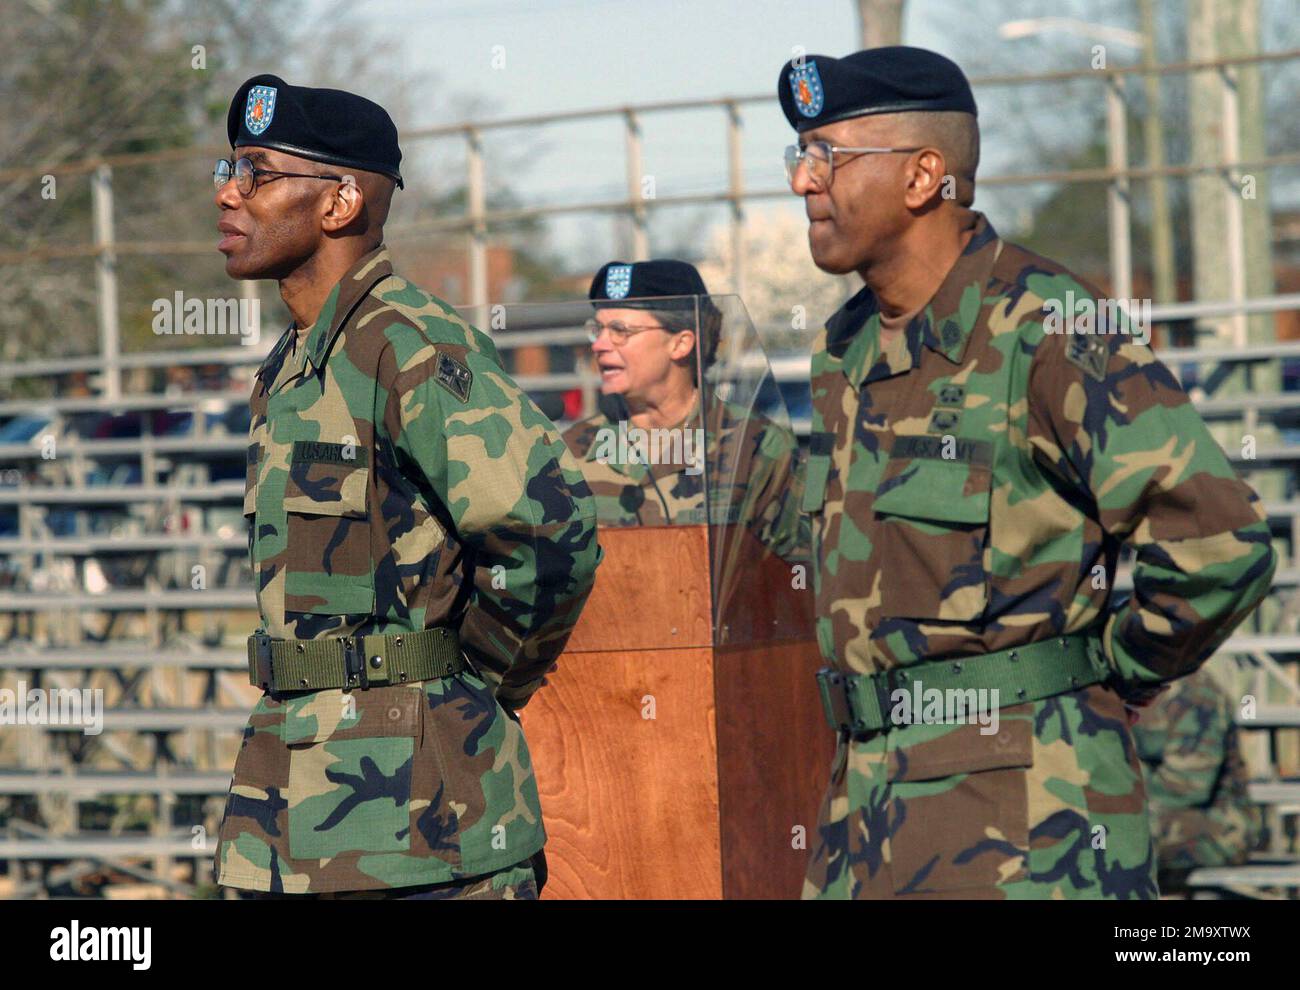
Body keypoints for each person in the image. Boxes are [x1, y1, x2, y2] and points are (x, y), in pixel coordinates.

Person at [778, 47, 1277, 899]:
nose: (803, 182)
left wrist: (1110, 676)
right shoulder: (847, 349)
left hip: (1028, 832)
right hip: (865, 819)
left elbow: (1218, 546)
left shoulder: (1051, 329)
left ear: (924, 175)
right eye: (800, 155)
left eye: (830, 155)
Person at [210, 74, 599, 899]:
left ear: (342, 201)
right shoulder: (290, 367)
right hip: (291, 824)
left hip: (425, 834)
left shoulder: (409, 345)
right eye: (228, 169)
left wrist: (468, 684)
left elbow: (547, 528)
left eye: (258, 173)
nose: (229, 193)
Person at [562, 259, 806, 563]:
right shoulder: (571, 451)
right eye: (597, 329)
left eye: (619, 330)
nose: (599, 345)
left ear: (680, 344)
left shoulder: (757, 448)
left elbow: (796, 577)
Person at [1133, 666, 1263, 893]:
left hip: (1220, 827)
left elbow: (1187, 788)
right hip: (1157, 813)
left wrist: (1117, 777)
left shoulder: (1197, 692)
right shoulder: (1123, 687)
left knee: (1117, 839)